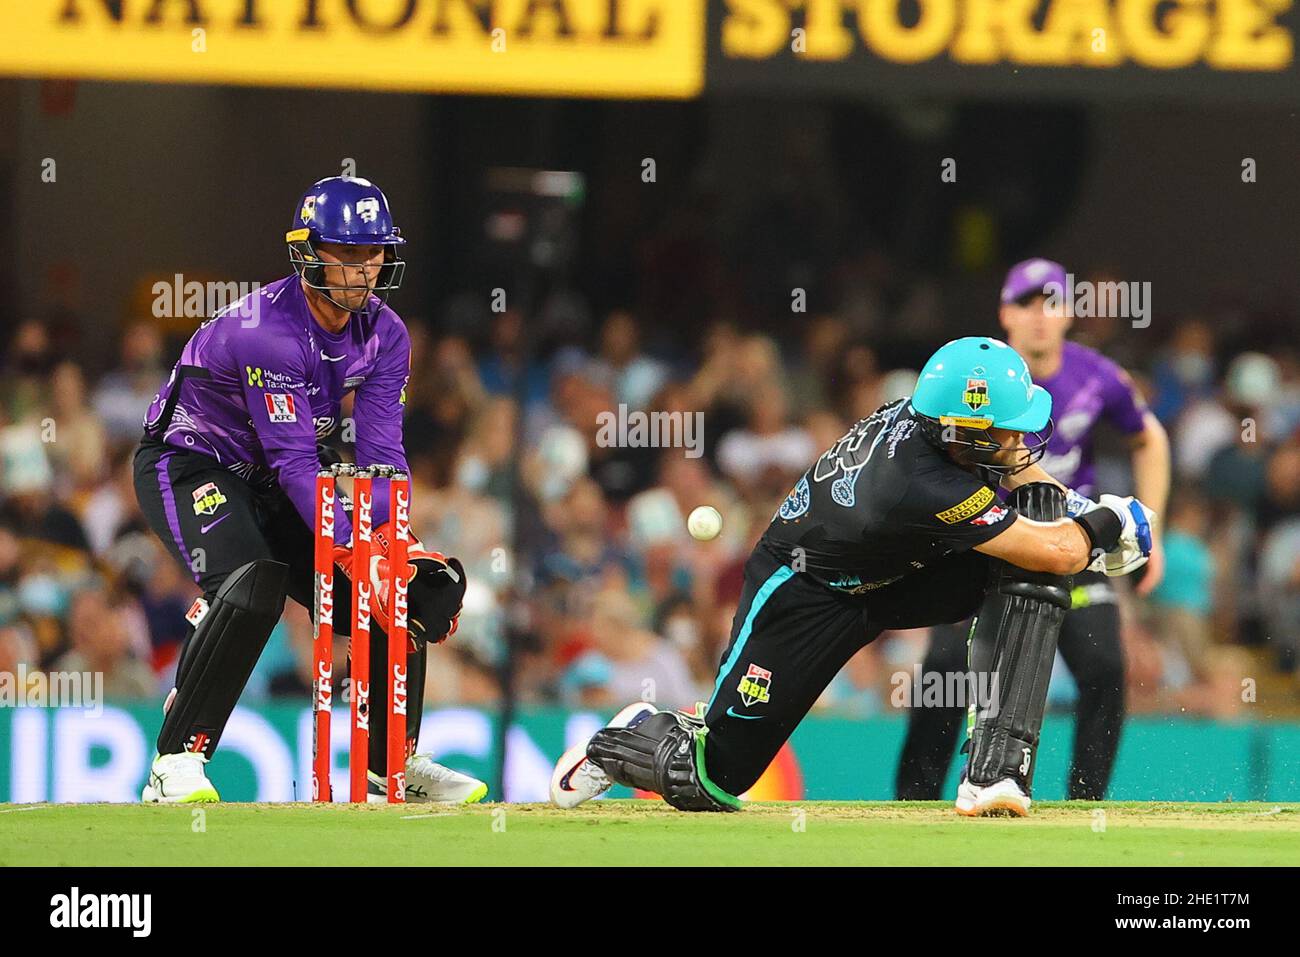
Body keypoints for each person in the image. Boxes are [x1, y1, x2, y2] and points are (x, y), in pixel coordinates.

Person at [551, 336, 1156, 817]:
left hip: (889, 577)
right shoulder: (922, 482)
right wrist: (1109, 525)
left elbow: (1028, 494)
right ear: (959, 433)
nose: (1019, 439)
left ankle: (997, 767)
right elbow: (1056, 553)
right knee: (711, 777)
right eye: (1005, 428)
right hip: (806, 592)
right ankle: (629, 737)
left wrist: (1084, 512)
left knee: (1036, 544)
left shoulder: (937, 430)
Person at [132, 176, 484, 805]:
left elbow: (381, 456)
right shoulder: (264, 329)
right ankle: (175, 762)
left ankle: (389, 765)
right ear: (309, 253)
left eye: (372, 254)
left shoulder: (387, 333)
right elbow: (296, 461)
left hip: (277, 476)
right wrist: (352, 548)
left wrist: (386, 544)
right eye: (345, 255)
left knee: (399, 588)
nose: (361, 270)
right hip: (192, 462)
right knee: (251, 583)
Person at [897, 259, 1170, 802]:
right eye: (1026, 303)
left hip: (1070, 545)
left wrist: (1154, 531)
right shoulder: (981, 378)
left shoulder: (1098, 377)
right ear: (1005, 313)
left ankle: (1086, 804)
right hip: (988, 540)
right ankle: (914, 801)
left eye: (1051, 302)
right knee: (947, 671)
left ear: (1069, 312)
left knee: (1106, 668)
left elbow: (1150, 438)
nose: (1039, 316)